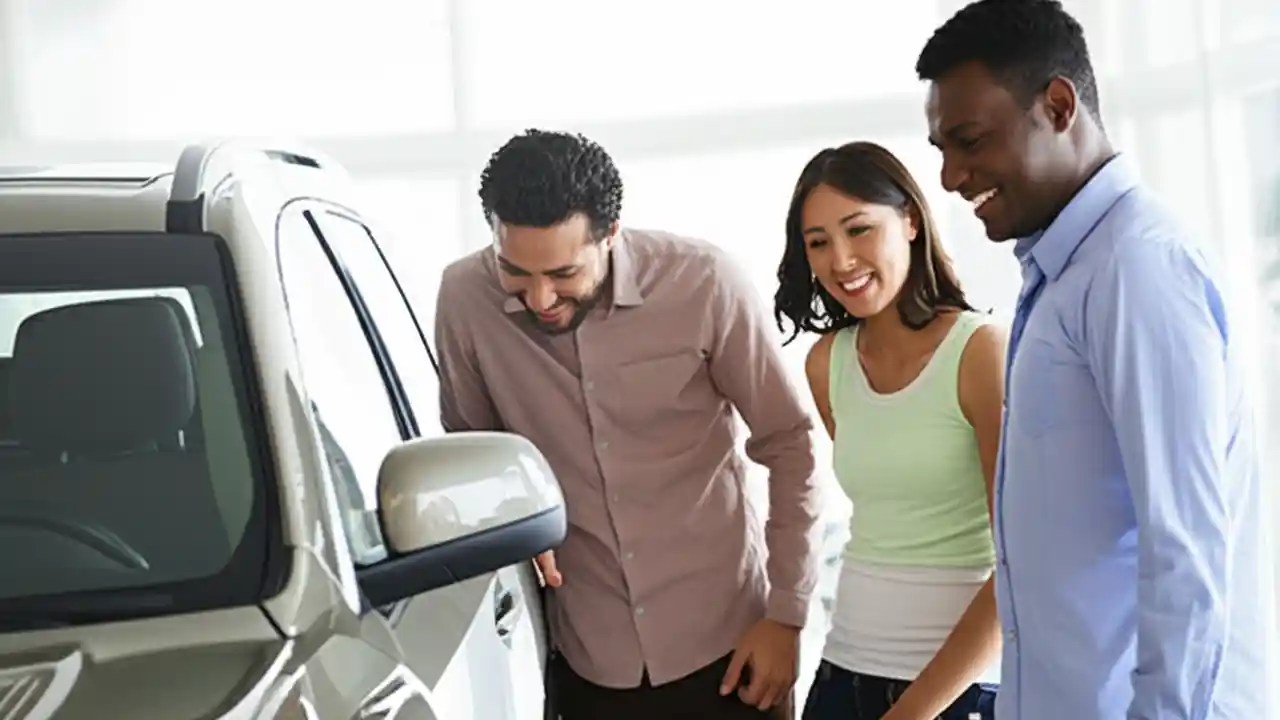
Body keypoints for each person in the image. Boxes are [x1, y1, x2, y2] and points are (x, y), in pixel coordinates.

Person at [916, 1, 1270, 717]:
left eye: (969, 141)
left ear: (1057, 105)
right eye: (941, 151)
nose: (951, 176)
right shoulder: (1065, 275)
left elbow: (1187, 554)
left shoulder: (1135, 269)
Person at [433, 129, 823, 719]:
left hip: (731, 652)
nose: (540, 297)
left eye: (563, 272)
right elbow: (475, 454)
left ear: (611, 234)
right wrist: (510, 518)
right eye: (515, 271)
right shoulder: (465, 298)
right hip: (587, 662)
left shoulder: (705, 282)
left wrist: (787, 618)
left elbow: (790, 443)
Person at [774, 141, 1005, 720]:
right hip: (842, 676)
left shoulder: (979, 353)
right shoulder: (827, 362)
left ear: (909, 221)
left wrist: (915, 711)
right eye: (818, 243)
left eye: (858, 230)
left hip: (955, 693)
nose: (841, 260)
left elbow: (1025, 563)